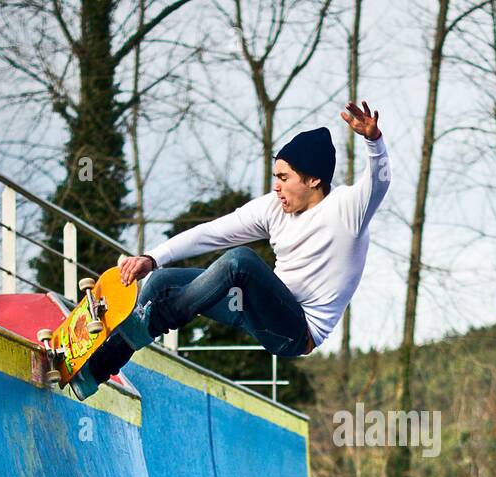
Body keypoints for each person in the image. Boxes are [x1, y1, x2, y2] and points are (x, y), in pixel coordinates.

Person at [72, 100, 390, 399]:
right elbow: (213, 232)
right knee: (161, 281)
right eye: (274, 177)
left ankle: (152, 321)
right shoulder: (272, 207)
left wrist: (373, 141)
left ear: (313, 179)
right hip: (253, 309)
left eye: (284, 177)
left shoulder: (347, 210)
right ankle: (93, 372)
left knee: (240, 262)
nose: (276, 187)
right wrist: (151, 258)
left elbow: (378, 183)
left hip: (295, 330)